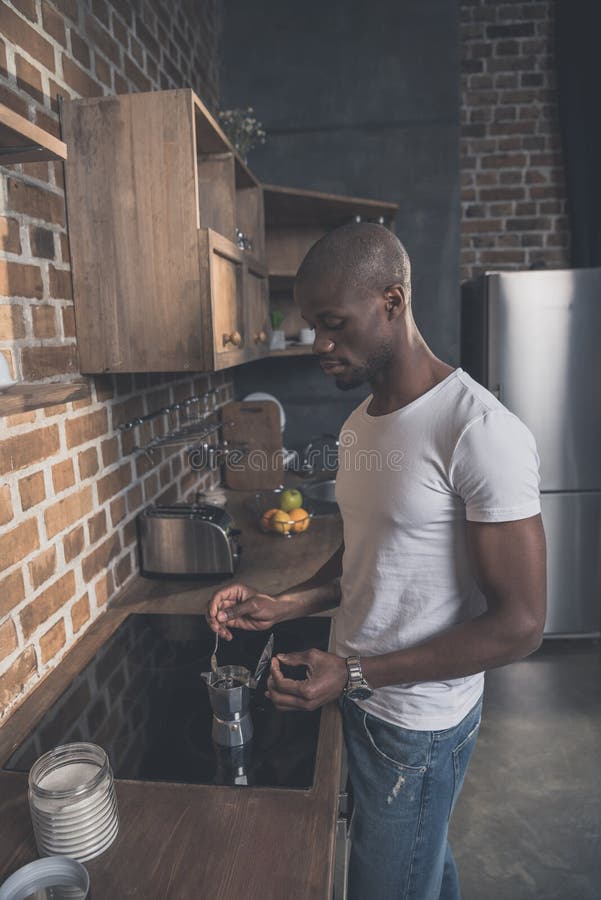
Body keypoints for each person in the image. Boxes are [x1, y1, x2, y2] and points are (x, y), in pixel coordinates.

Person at [207, 223, 547, 900]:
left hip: (417, 725)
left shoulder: (478, 432)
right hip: (361, 695)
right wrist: (289, 602)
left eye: (334, 324)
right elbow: (369, 554)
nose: (319, 346)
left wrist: (357, 672)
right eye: (312, 326)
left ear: (391, 302)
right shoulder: (361, 424)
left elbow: (521, 626)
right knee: (422, 863)